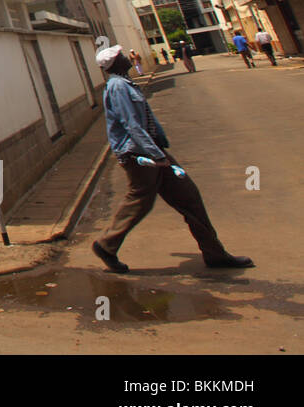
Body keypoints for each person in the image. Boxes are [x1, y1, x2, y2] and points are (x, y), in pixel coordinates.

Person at [90, 45, 252, 274]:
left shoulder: (124, 84)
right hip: (140, 155)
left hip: (151, 151)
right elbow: (132, 125)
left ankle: (215, 253)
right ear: (115, 63)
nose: (127, 58)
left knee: (189, 197)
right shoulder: (118, 87)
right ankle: (107, 244)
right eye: (122, 56)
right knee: (140, 200)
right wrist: (157, 155)